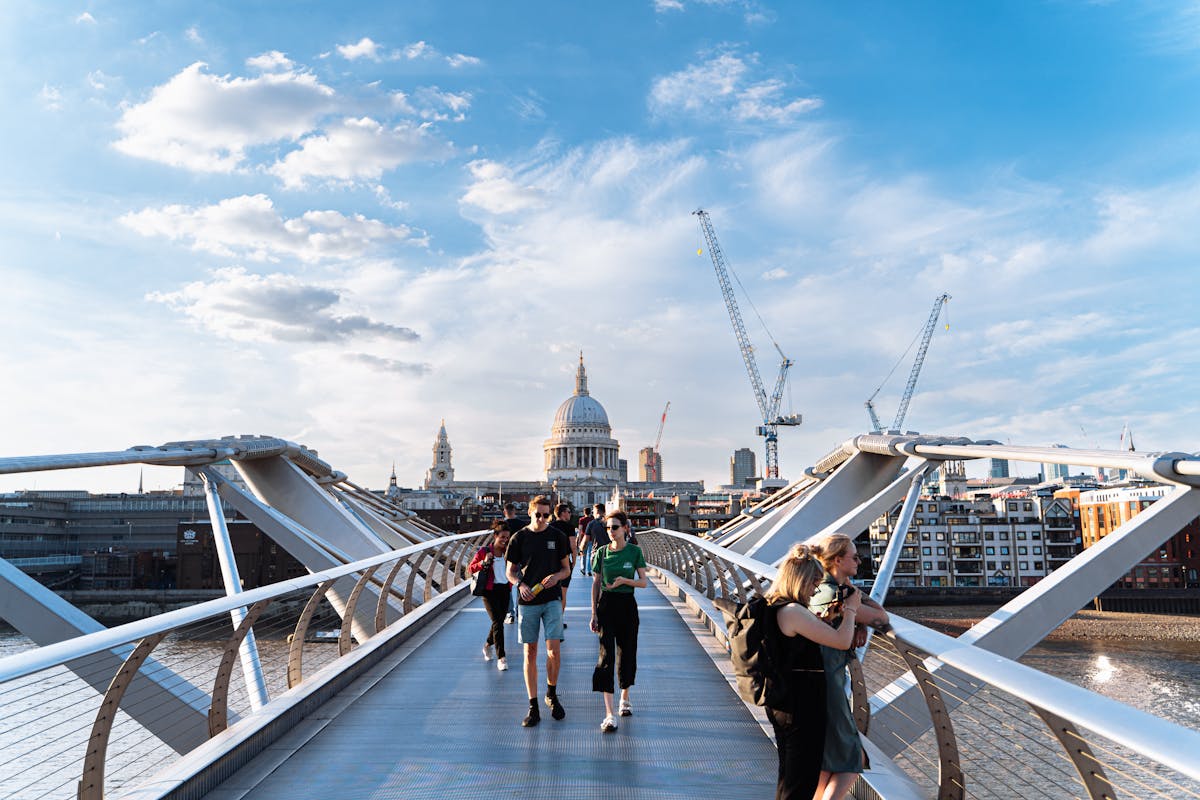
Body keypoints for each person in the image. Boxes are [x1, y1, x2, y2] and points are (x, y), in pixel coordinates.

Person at [767, 542, 862, 800]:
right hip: (799, 705)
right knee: (799, 783)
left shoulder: (775, 605)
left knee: (790, 778)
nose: (814, 591)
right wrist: (851, 610)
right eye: (813, 584)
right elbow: (842, 641)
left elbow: (796, 643)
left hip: (784, 700)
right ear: (801, 581)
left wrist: (826, 620)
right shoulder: (793, 611)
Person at [808, 533, 890, 800]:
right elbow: (881, 617)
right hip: (828, 685)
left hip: (815, 681)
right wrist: (857, 607)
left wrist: (857, 620)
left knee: (826, 762)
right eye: (854, 557)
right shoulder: (836, 594)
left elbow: (865, 617)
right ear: (838, 560)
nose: (859, 560)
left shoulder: (820, 588)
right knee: (853, 759)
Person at [505, 495, 571, 727]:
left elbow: (567, 569)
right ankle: (533, 705)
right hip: (528, 600)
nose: (542, 519)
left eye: (546, 515)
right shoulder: (519, 538)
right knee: (530, 653)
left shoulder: (558, 536)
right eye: (538, 515)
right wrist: (520, 585)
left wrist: (557, 577)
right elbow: (510, 572)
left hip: (552, 599)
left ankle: (551, 693)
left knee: (554, 651)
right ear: (530, 513)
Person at [589, 510, 647, 732]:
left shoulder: (634, 552)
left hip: (627, 605)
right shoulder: (602, 553)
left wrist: (624, 580)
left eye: (615, 527)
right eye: (608, 528)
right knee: (606, 656)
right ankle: (609, 713)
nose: (610, 532)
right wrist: (593, 613)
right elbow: (596, 583)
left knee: (627, 652)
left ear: (625, 528)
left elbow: (643, 582)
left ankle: (625, 696)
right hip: (606, 606)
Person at [468, 521, 513, 672]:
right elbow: (471, 568)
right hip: (489, 590)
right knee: (498, 623)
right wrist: (483, 562)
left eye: (507, 538)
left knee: (498, 621)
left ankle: (487, 645)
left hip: (505, 589)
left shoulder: (509, 551)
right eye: (502, 537)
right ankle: (502, 657)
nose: (505, 540)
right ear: (495, 536)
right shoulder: (484, 551)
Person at [550, 503, 578, 627]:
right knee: (563, 593)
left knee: (552, 592)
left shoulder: (549, 527)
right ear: (562, 513)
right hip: (565, 562)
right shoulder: (569, 527)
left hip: (551, 562)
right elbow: (573, 546)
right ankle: (559, 620)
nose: (570, 514)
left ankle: (551, 619)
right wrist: (574, 561)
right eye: (568, 511)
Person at [501, 503, 526, 624]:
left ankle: (510, 613)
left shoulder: (502, 525)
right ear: (514, 511)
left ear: (504, 512)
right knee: (520, 583)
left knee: (507, 586)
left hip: (506, 558)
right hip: (521, 558)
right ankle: (520, 609)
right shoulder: (522, 524)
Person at [577, 503, 607, 576]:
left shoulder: (592, 523)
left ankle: (584, 569)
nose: (593, 513)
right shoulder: (610, 522)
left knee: (597, 579)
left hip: (596, 553)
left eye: (594, 511)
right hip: (609, 553)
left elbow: (585, 540)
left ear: (597, 511)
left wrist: (581, 549)